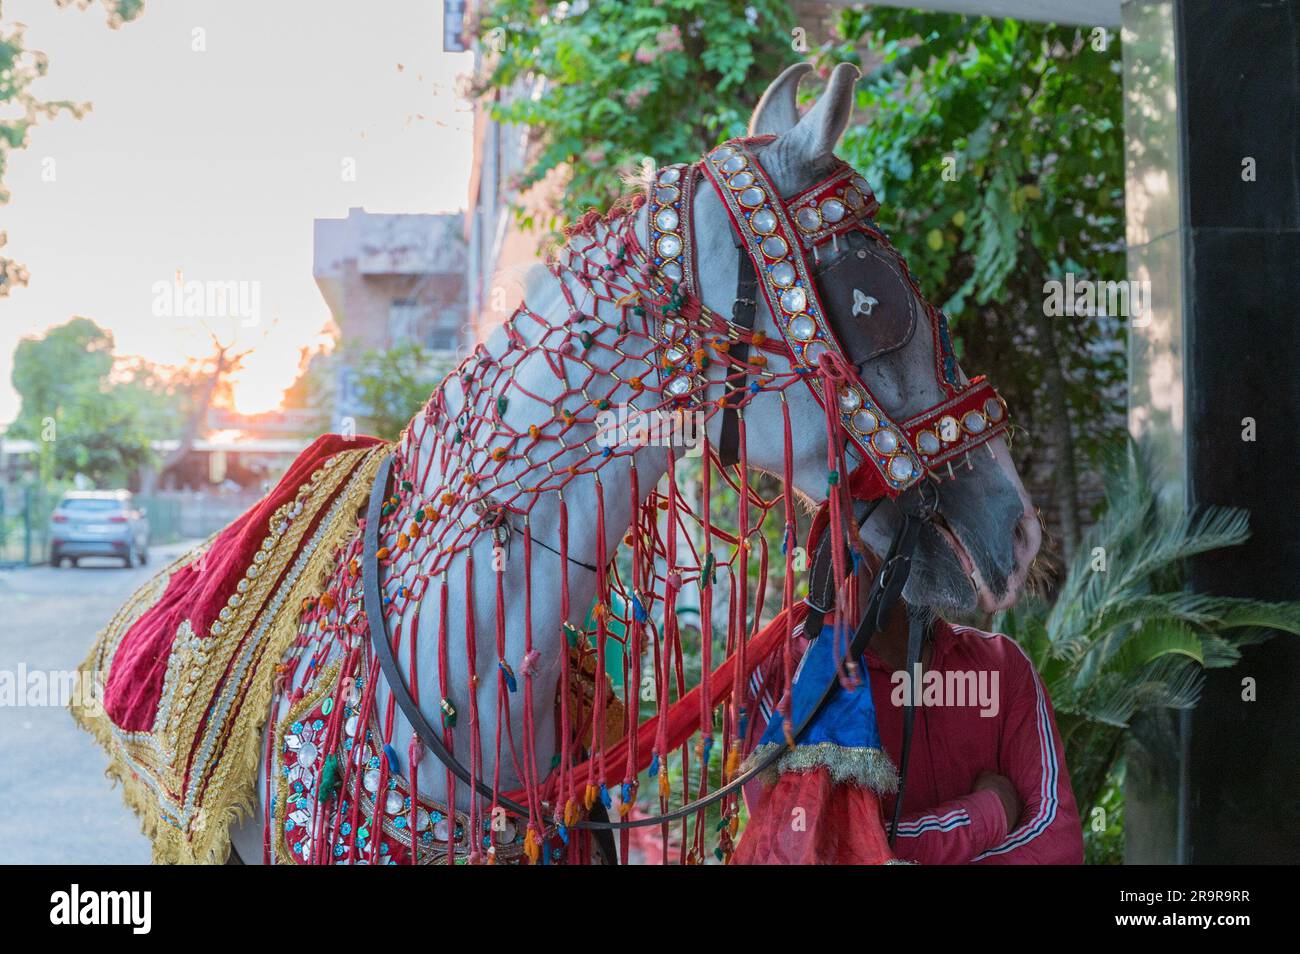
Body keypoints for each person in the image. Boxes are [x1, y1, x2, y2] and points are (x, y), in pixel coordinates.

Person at [739, 569, 1084, 865]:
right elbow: (808, 847)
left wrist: (881, 841)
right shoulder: (784, 673)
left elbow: (1057, 843)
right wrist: (988, 814)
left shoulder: (1002, 664)